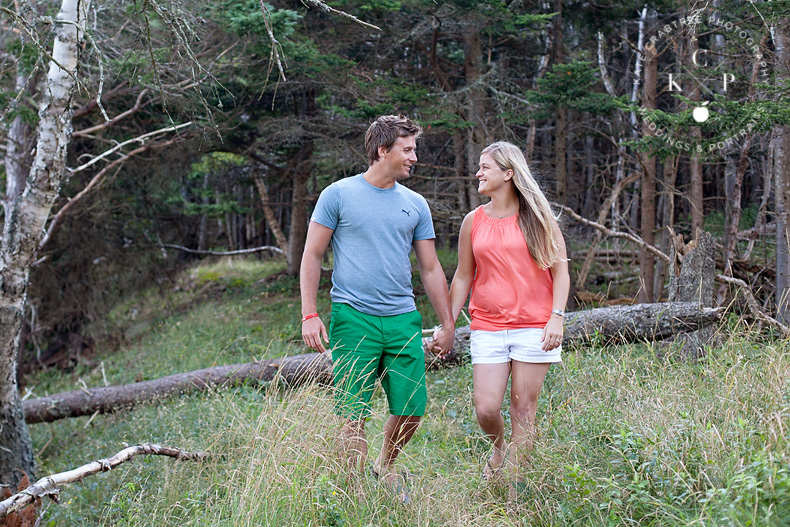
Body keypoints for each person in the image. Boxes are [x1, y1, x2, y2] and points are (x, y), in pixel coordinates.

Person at [300, 115, 455, 497]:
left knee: (412, 409)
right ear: (383, 150)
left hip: (402, 318)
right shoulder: (338, 195)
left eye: (414, 149)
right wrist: (310, 313)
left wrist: (448, 323)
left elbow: (430, 267)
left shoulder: (415, 204)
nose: (414, 157)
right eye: (407, 149)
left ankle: (385, 465)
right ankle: (353, 493)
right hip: (353, 317)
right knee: (352, 412)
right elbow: (312, 254)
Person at [448, 141, 569, 498]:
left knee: (523, 410)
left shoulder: (539, 218)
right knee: (486, 408)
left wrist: (557, 317)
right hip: (487, 325)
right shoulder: (473, 221)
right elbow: (463, 276)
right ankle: (499, 448)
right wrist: (449, 323)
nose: (478, 173)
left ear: (508, 174)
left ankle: (514, 496)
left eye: (485, 167)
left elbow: (561, 273)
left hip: (534, 327)